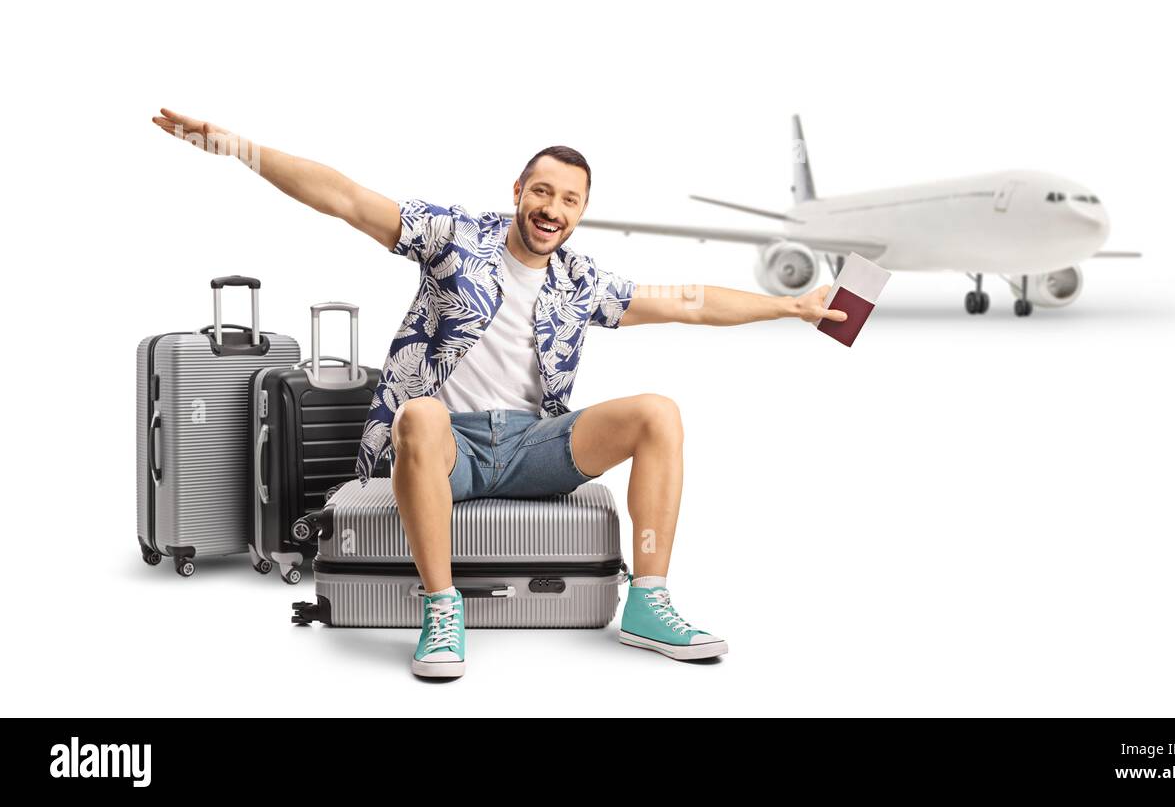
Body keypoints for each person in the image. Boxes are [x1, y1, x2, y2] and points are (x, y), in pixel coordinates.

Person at [152, 107, 847, 679]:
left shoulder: (580, 281)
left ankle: (648, 601)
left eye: (569, 200)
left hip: (532, 444)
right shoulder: (455, 239)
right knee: (421, 415)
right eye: (542, 192)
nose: (553, 209)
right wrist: (236, 146)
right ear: (518, 191)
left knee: (657, 414)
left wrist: (789, 307)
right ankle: (441, 609)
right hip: (445, 446)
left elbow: (688, 303)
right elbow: (347, 200)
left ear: (581, 212)